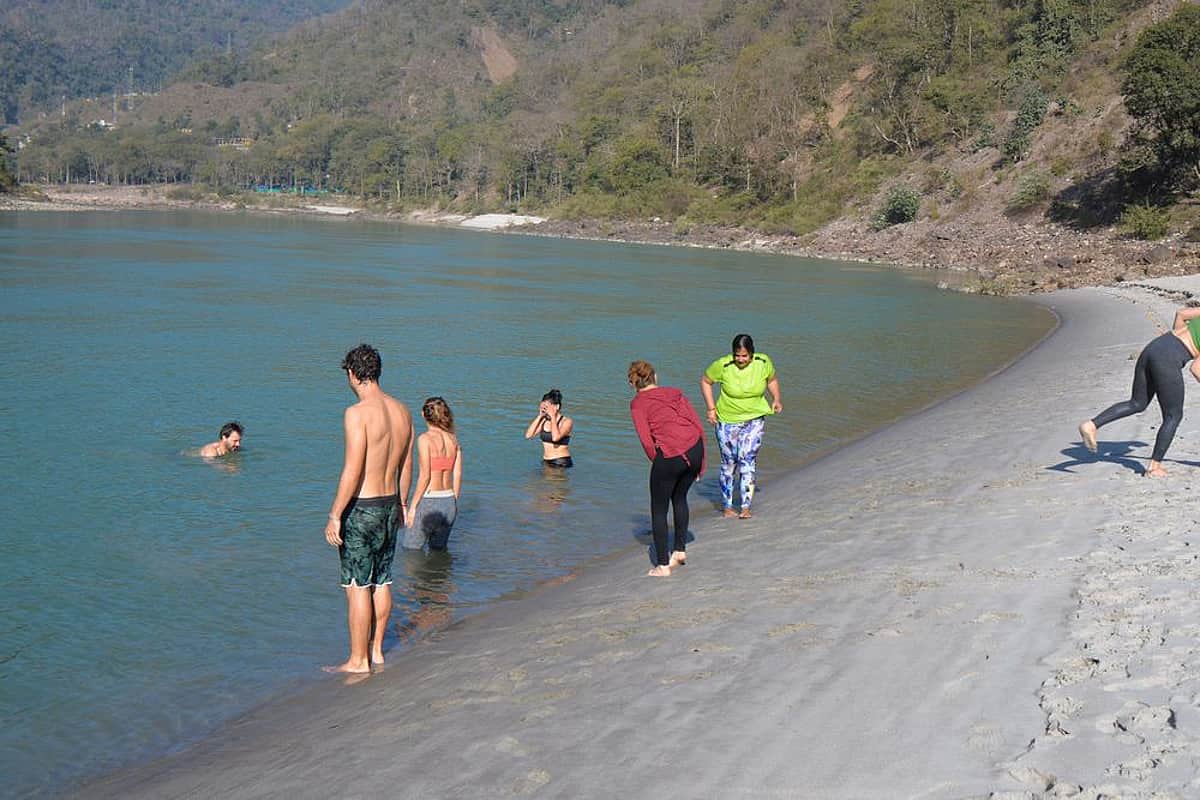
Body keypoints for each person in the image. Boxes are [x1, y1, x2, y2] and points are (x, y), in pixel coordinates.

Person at [323, 344, 414, 674]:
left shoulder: (357, 413)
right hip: (390, 504)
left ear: (352, 374)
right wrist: (402, 504)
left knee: (357, 584)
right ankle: (376, 650)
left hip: (363, 508)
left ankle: (357, 660)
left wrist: (335, 514)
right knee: (382, 579)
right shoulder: (402, 411)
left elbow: (353, 469)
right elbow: (406, 465)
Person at [1079, 305, 1200, 477]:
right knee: (1173, 416)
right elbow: (1196, 368)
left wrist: (1174, 345)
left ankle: (1091, 425)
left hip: (1155, 347)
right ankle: (1154, 467)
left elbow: (1181, 314)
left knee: (1137, 403)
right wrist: (1176, 354)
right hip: (1167, 359)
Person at [629, 360, 705, 577]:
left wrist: (660, 462)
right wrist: (700, 464)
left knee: (659, 509)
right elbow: (696, 424)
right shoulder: (675, 392)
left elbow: (646, 441)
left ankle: (662, 565)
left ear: (633, 384)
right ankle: (679, 551)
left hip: (671, 454)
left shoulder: (638, 403)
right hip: (695, 448)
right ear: (656, 377)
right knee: (679, 498)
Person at [700, 334, 782, 519]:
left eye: (745, 356)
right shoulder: (723, 365)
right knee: (729, 463)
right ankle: (727, 506)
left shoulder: (763, 362)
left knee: (747, 460)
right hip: (727, 421)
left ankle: (745, 507)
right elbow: (705, 381)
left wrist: (776, 399)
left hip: (754, 419)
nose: (740, 359)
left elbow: (771, 380)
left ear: (752, 353)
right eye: (737, 355)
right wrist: (711, 409)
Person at [403, 397, 462, 551]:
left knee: (411, 550)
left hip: (430, 501)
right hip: (449, 500)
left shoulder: (425, 439)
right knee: (438, 552)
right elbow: (457, 474)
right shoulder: (453, 439)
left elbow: (425, 476)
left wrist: (413, 508)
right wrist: (454, 501)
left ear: (423, 414)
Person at [524, 388, 574, 468]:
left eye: (547, 407)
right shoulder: (544, 420)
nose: (545, 409)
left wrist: (553, 416)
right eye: (544, 406)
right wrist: (540, 416)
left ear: (557, 406)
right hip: (546, 461)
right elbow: (528, 435)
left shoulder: (567, 421)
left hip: (560, 461)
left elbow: (555, 438)